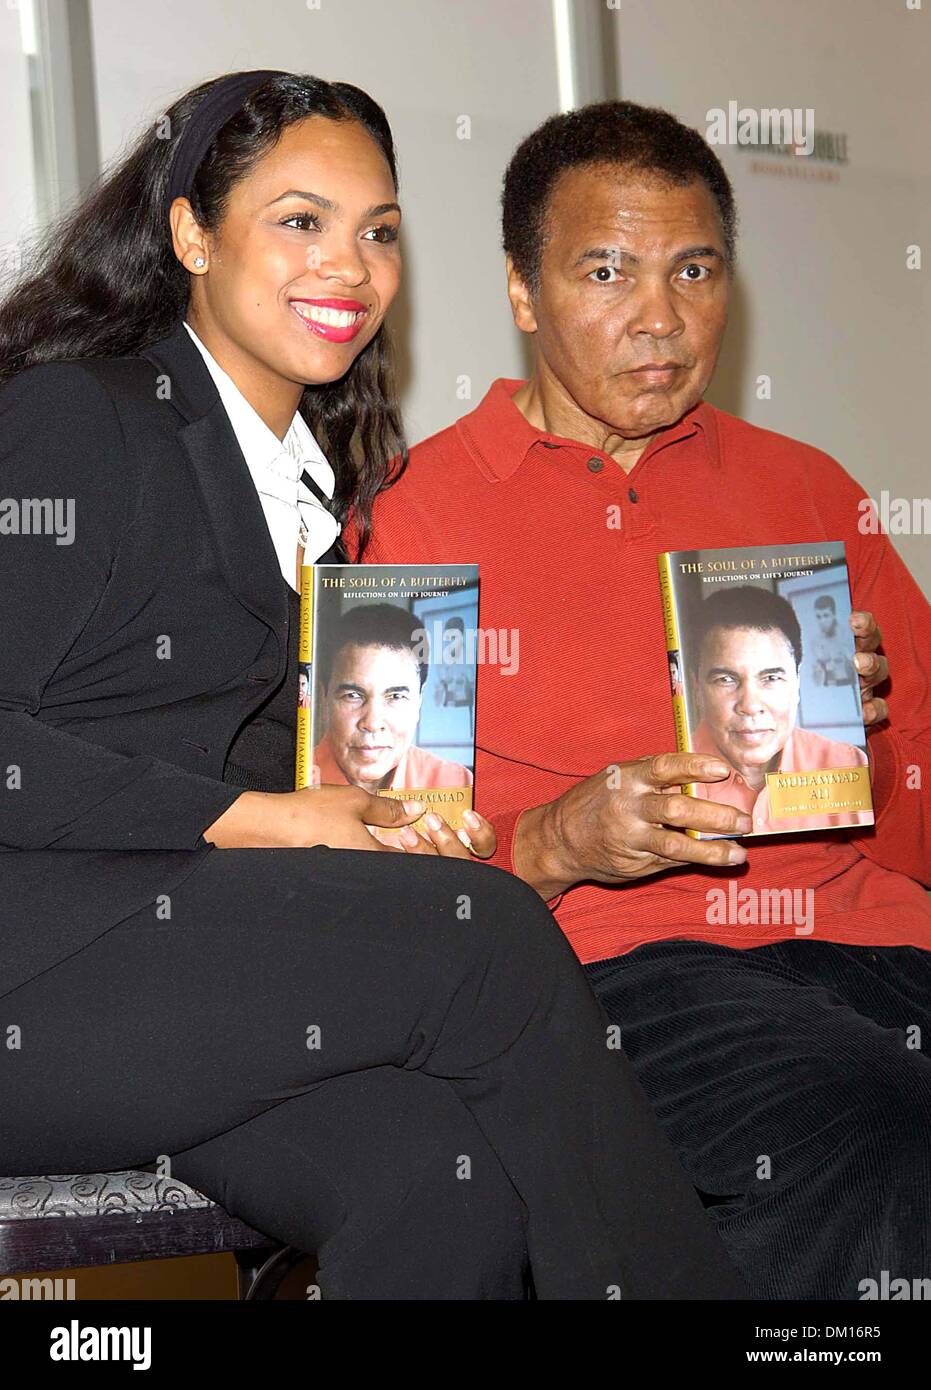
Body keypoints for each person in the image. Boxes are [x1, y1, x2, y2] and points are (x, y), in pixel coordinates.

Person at [0, 71, 746, 1301]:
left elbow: (223, 757)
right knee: (483, 939)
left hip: (164, 981)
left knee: (438, 1172)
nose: (348, 266)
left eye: (379, 231)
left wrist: (369, 816)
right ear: (190, 233)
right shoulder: (84, 418)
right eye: (300, 221)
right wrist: (270, 820)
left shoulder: (314, 485)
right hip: (43, 971)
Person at [357, 99, 931, 1299]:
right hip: (608, 968)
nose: (658, 317)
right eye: (606, 270)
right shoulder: (409, 514)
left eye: (694, 269)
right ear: (521, 291)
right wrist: (557, 838)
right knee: (868, 1104)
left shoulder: (806, 489)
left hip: (868, 936)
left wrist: (861, 740)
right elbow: (382, 884)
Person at [686, 586, 871, 832]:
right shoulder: (667, 785)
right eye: (725, 679)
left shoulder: (847, 764)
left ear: (797, 681)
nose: (750, 706)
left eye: (771, 678)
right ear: (697, 687)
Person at [312, 603, 473, 790]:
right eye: (353, 695)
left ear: (419, 701)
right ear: (324, 697)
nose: (372, 723)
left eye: (395, 696)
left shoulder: (456, 783)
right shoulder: (289, 783)